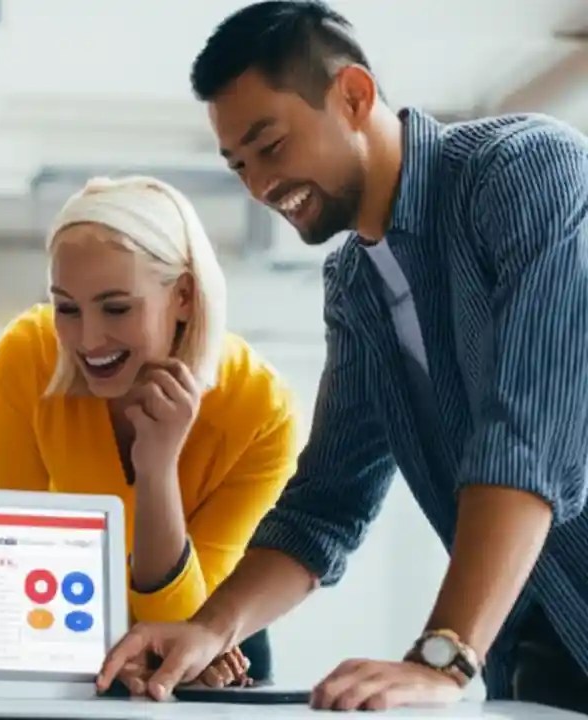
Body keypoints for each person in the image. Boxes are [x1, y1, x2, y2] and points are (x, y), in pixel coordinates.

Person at [96, 1, 588, 714]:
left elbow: (527, 439)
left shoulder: (524, 172)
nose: (260, 186)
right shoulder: (356, 284)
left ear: (354, 96)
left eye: (271, 146)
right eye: (239, 165)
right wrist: (207, 631)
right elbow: (326, 504)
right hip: (539, 648)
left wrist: (442, 657)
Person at [0, 176, 297, 687]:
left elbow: (186, 628)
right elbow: (17, 555)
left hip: (210, 641)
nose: (88, 339)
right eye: (67, 308)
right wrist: (109, 644)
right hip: (72, 626)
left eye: (116, 308)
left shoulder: (260, 408)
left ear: (184, 296)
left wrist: (157, 470)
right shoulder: (28, 355)